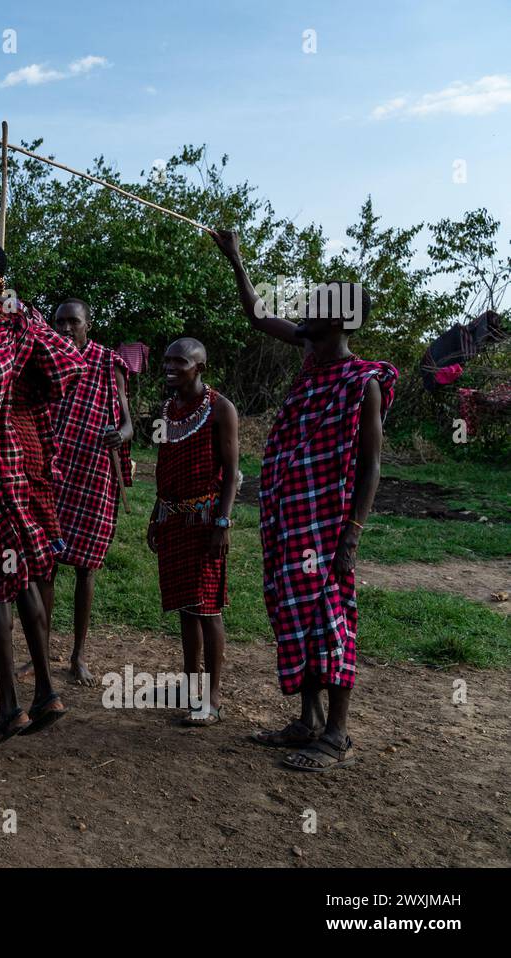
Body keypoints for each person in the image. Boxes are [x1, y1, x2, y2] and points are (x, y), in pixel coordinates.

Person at [212, 228, 396, 772]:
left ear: (338, 320)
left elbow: (372, 465)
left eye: (315, 306)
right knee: (292, 616)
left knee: (330, 619)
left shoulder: (362, 382)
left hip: (327, 527)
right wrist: (237, 259)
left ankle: (336, 734)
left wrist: (352, 537)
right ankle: (308, 720)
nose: (304, 310)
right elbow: (257, 314)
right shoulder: (310, 354)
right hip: (288, 522)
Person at [0, 240, 84, 745]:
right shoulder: (23, 316)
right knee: (17, 570)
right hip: (15, 445)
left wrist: (19, 328)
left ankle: (13, 705)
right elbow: (62, 362)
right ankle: (44, 692)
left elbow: (1, 371)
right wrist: (22, 325)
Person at [146, 337, 238, 726]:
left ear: (199, 367)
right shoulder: (165, 410)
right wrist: (155, 514)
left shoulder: (221, 409)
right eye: (166, 361)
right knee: (186, 605)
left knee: (208, 608)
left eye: (179, 362)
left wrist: (222, 521)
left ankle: (212, 698)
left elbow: (232, 473)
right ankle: (188, 685)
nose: (170, 368)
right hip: (173, 519)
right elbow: (163, 468)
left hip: (205, 520)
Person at [48, 298, 134, 685]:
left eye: (73, 322)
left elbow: (129, 422)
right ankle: (42, 649)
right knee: (44, 565)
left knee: (87, 567)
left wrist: (121, 434)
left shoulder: (107, 362)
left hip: (95, 474)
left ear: (88, 324)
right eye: (60, 322)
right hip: (52, 471)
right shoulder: (45, 357)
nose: (66, 329)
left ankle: (78, 654)